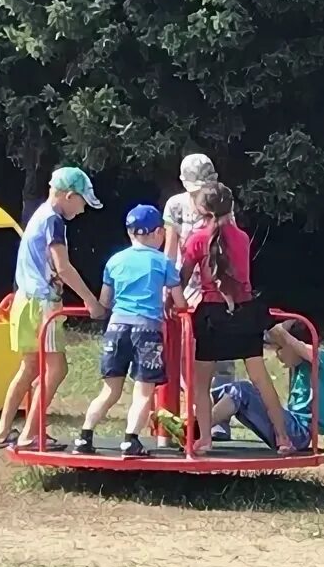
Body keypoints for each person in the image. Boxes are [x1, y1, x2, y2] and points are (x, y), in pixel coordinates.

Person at [0, 167, 105, 451]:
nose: (81, 210)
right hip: (43, 304)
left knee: (29, 367)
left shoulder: (39, 216)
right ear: (68, 196)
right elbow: (63, 267)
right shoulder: (54, 222)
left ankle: (3, 432)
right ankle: (31, 433)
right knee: (57, 368)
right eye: (81, 203)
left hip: (25, 300)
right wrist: (92, 302)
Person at [178, 182, 293, 455]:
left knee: (201, 383)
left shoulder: (196, 240)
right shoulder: (241, 238)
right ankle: (283, 437)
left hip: (211, 316)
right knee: (261, 379)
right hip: (245, 312)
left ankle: (204, 438)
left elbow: (182, 278)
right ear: (230, 208)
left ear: (201, 210)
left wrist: (173, 301)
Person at [73, 205, 188, 457]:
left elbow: (105, 301)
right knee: (144, 391)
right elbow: (179, 301)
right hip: (147, 329)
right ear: (159, 233)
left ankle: (84, 436)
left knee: (110, 390)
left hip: (116, 327)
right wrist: (177, 306)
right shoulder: (162, 262)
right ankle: (130, 440)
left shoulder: (115, 261)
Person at [163, 153, 236, 440]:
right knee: (189, 357)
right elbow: (170, 251)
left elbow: (230, 242)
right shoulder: (176, 205)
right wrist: (167, 289)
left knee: (223, 356)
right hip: (187, 288)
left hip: (218, 286)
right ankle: (193, 417)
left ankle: (220, 420)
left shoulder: (221, 199)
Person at [208, 319, 324, 451]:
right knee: (228, 391)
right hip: (293, 428)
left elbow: (287, 338)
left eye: (279, 348)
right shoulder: (300, 367)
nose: (277, 354)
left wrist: (279, 328)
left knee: (242, 391)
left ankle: (197, 430)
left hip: (299, 434)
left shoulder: (321, 362)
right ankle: (195, 418)